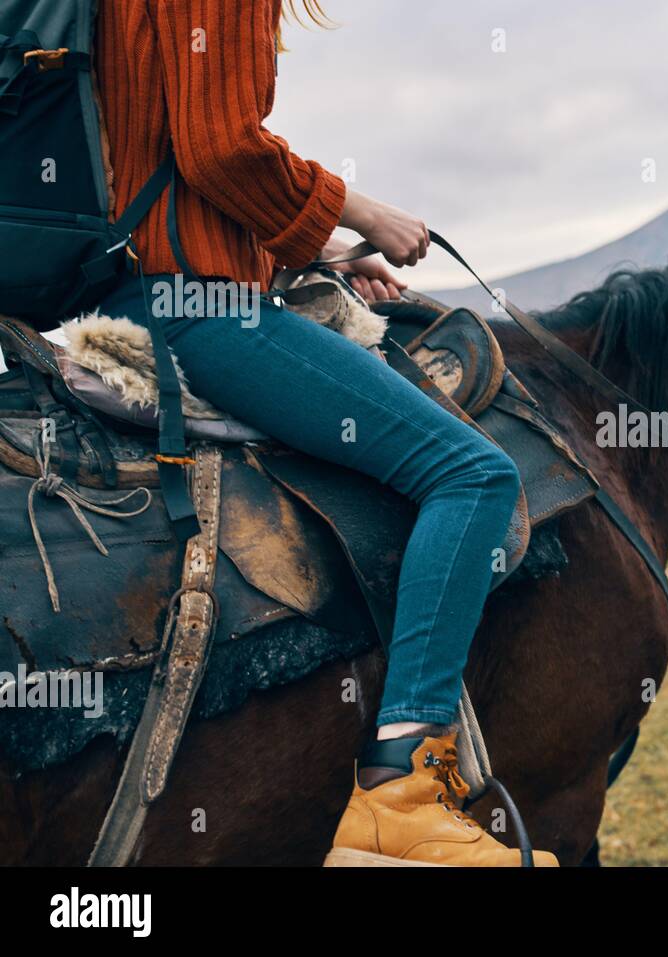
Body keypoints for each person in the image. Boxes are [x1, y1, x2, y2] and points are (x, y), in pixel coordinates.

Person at [95, 0, 558, 866]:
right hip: (197, 308)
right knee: (474, 478)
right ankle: (402, 794)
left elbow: (166, 166)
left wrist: (311, 254)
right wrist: (363, 211)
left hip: (145, 283)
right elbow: (220, 146)